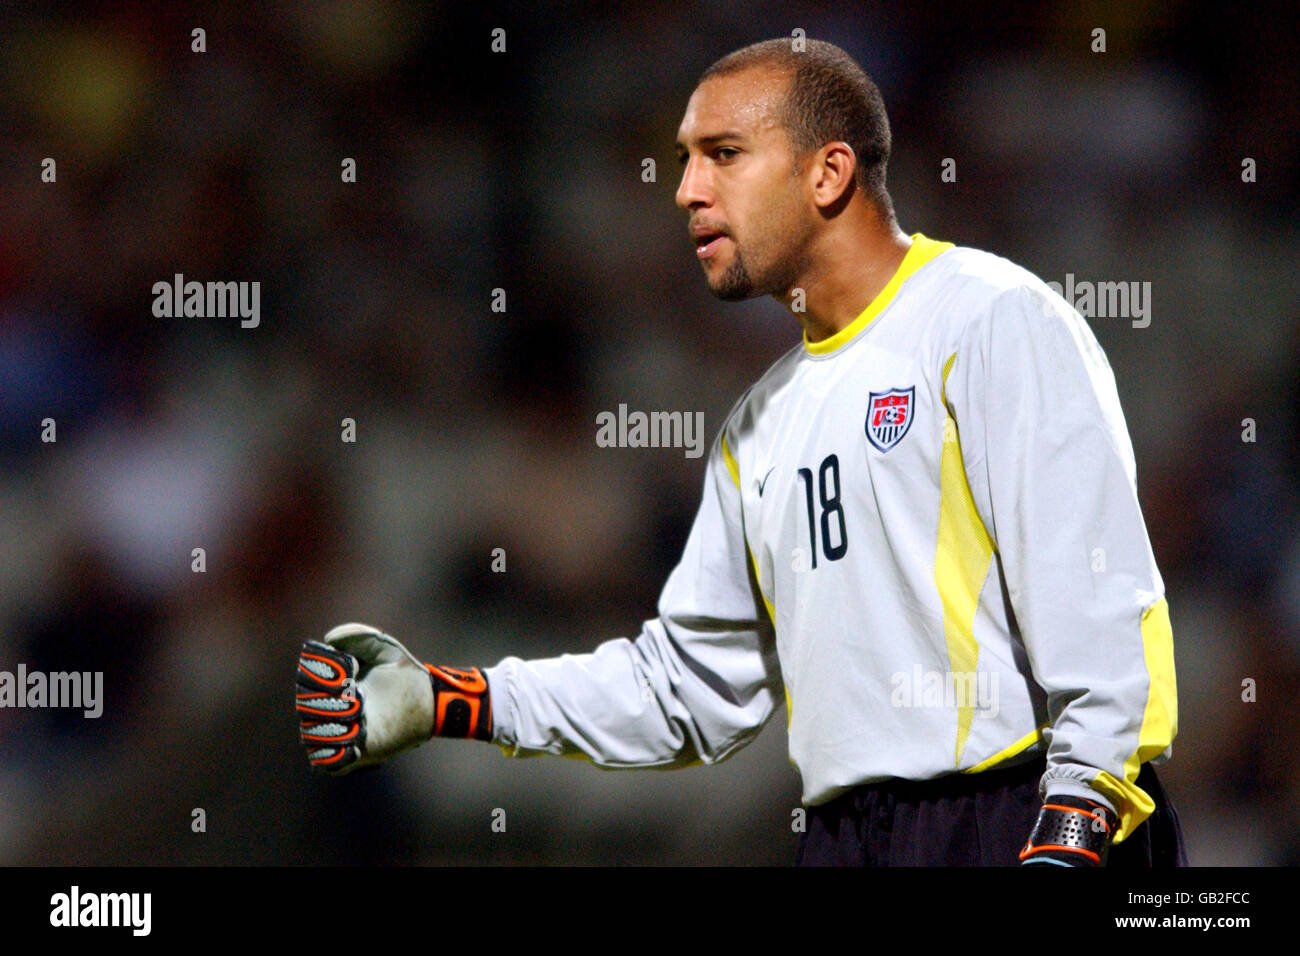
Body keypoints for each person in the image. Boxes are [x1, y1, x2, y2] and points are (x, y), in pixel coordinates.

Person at [296, 38, 1186, 867]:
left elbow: (1104, 613)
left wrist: (1070, 838)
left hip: (1021, 819)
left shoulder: (991, 320)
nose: (685, 189)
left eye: (722, 154)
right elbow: (685, 689)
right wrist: (457, 700)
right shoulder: (760, 424)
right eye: (685, 159)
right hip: (848, 839)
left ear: (828, 171)